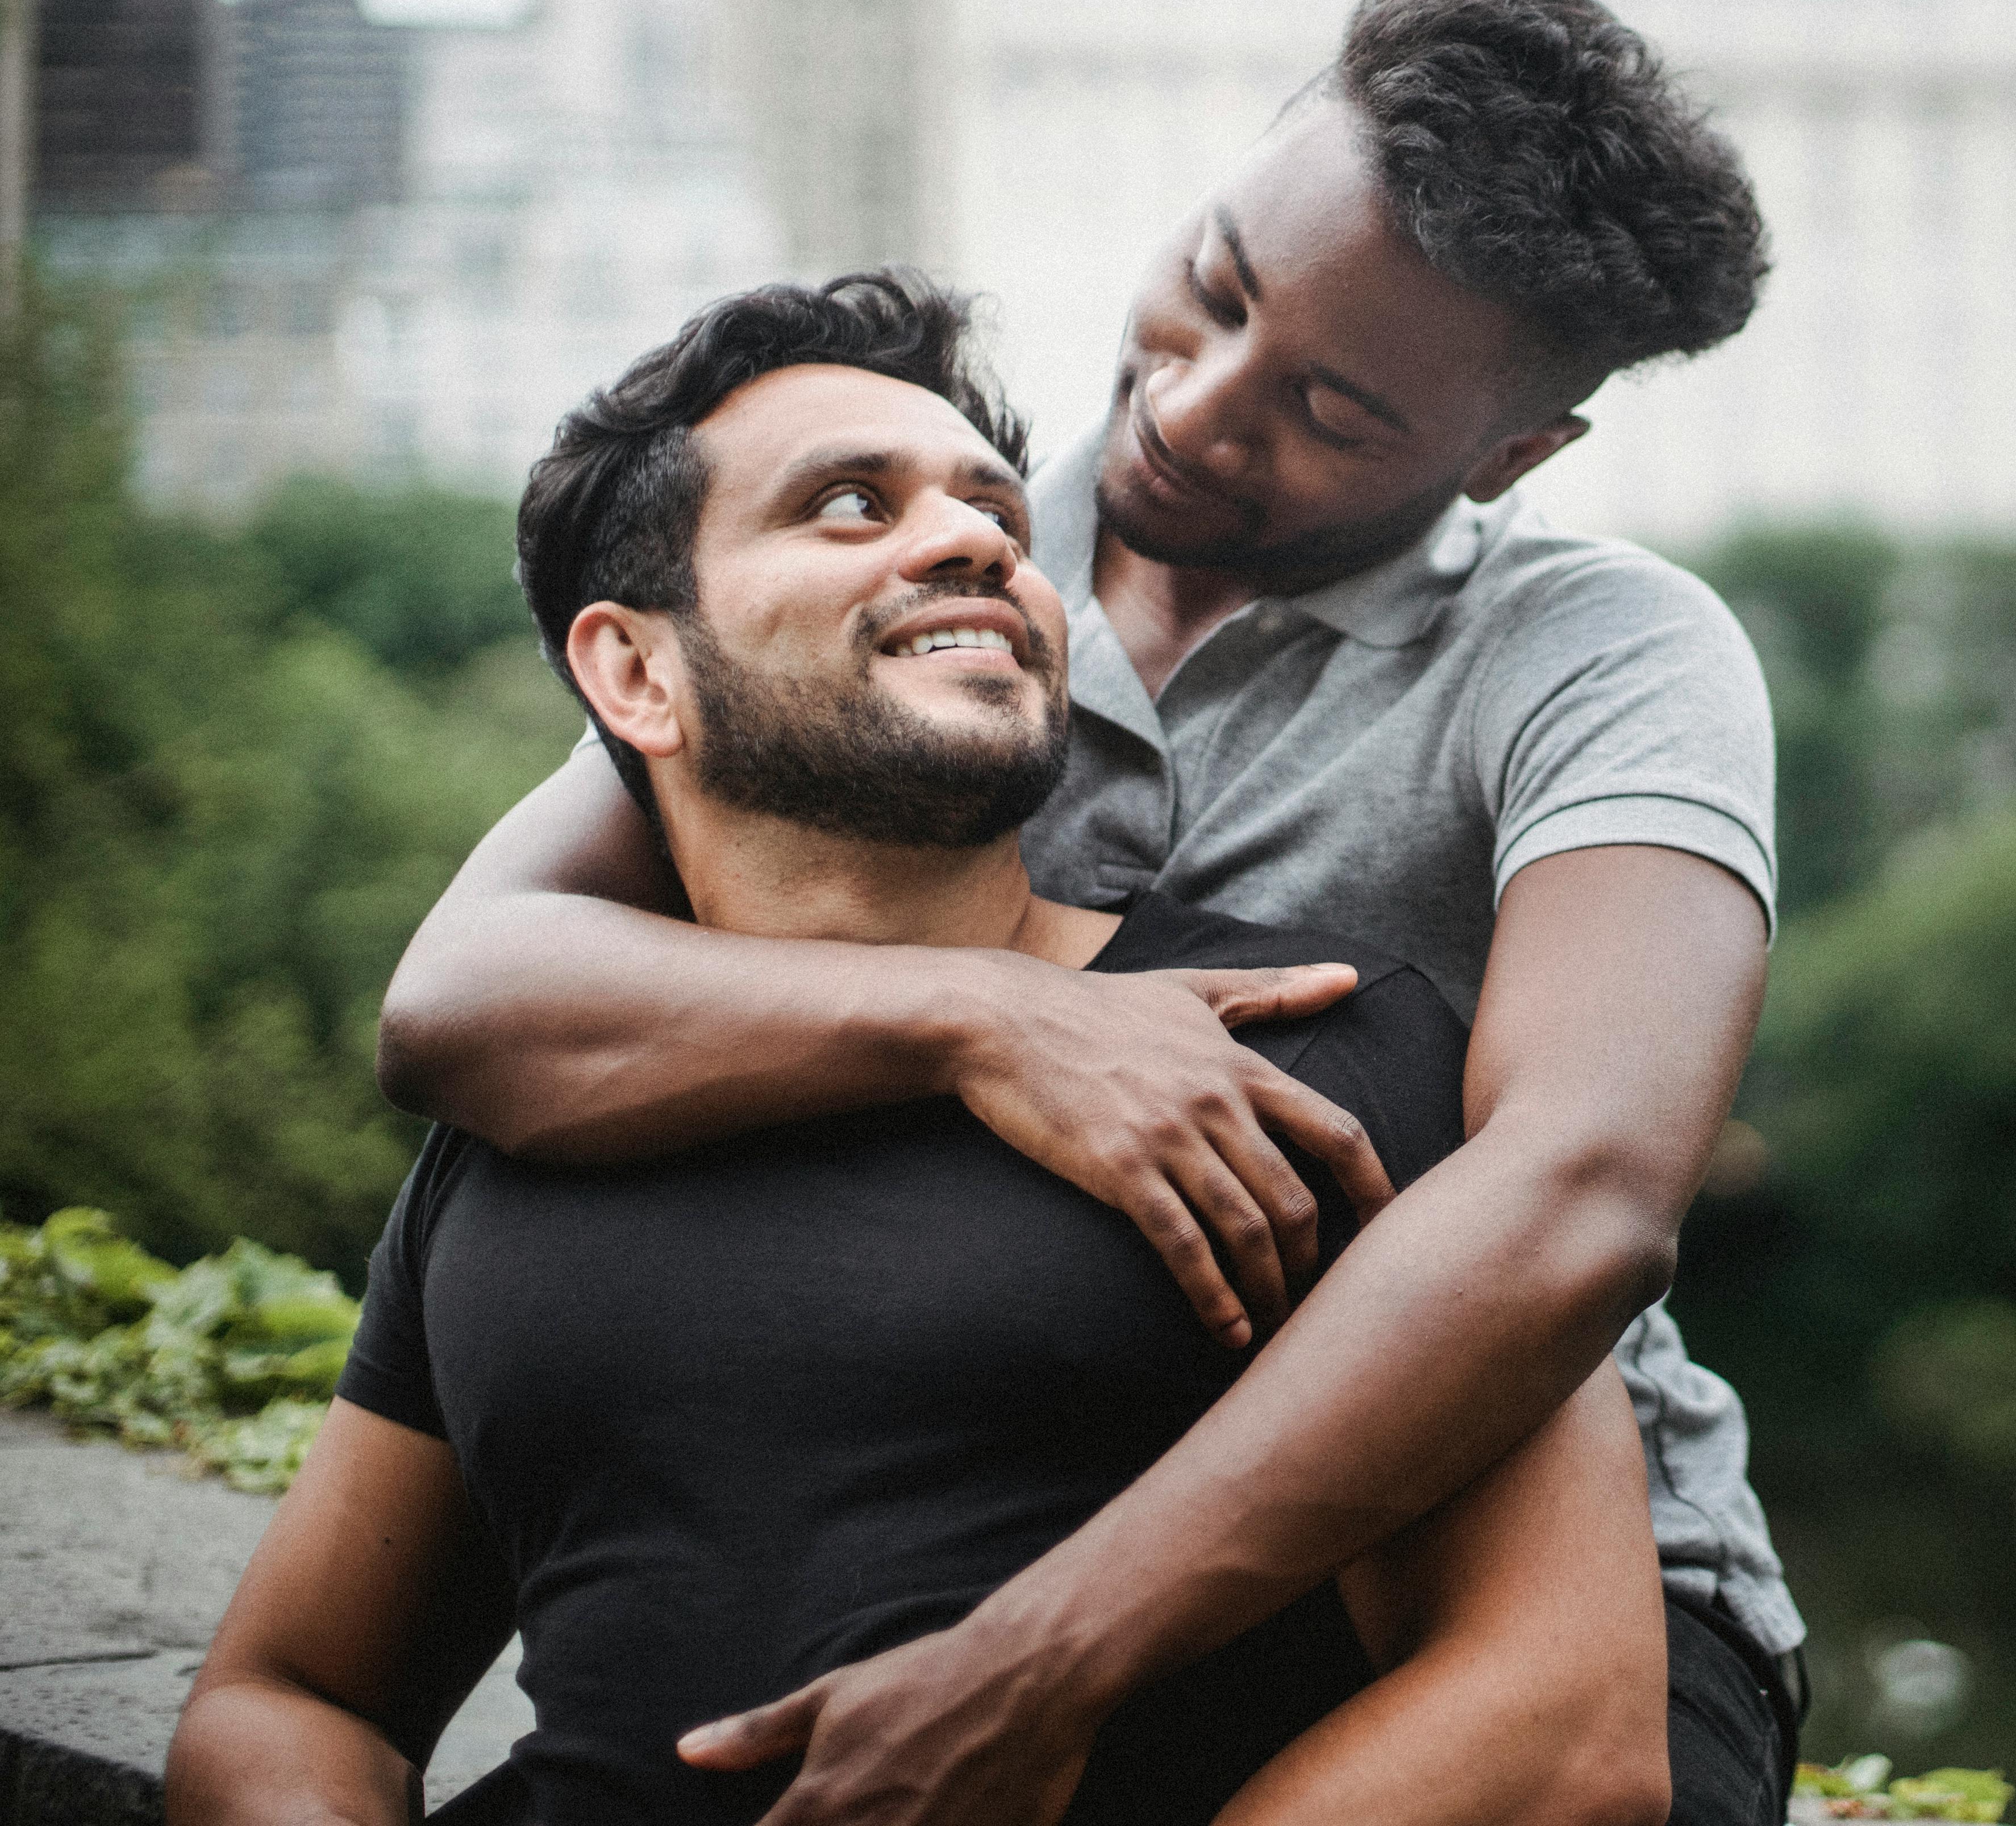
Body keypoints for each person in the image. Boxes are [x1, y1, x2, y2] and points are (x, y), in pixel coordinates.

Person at [377, 0, 1803, 1823]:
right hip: (1018, 1457)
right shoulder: (941, 556)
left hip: (1505, 1558)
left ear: (1515, 448)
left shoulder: (1605, 659)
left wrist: (1040, 1655)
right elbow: (466, 998)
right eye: (1214, 288)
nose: (1205, 404)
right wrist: (995, 1017)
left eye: (1338, 413)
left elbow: (1580, 1198)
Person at [169, 279, 1671, 1826]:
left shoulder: (1310, 1044)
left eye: (996, 513)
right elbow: (291, 1697)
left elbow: (1565, 1731)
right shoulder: (542, 1104)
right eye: (845, 506)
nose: (976, 544)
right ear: (633, 675)